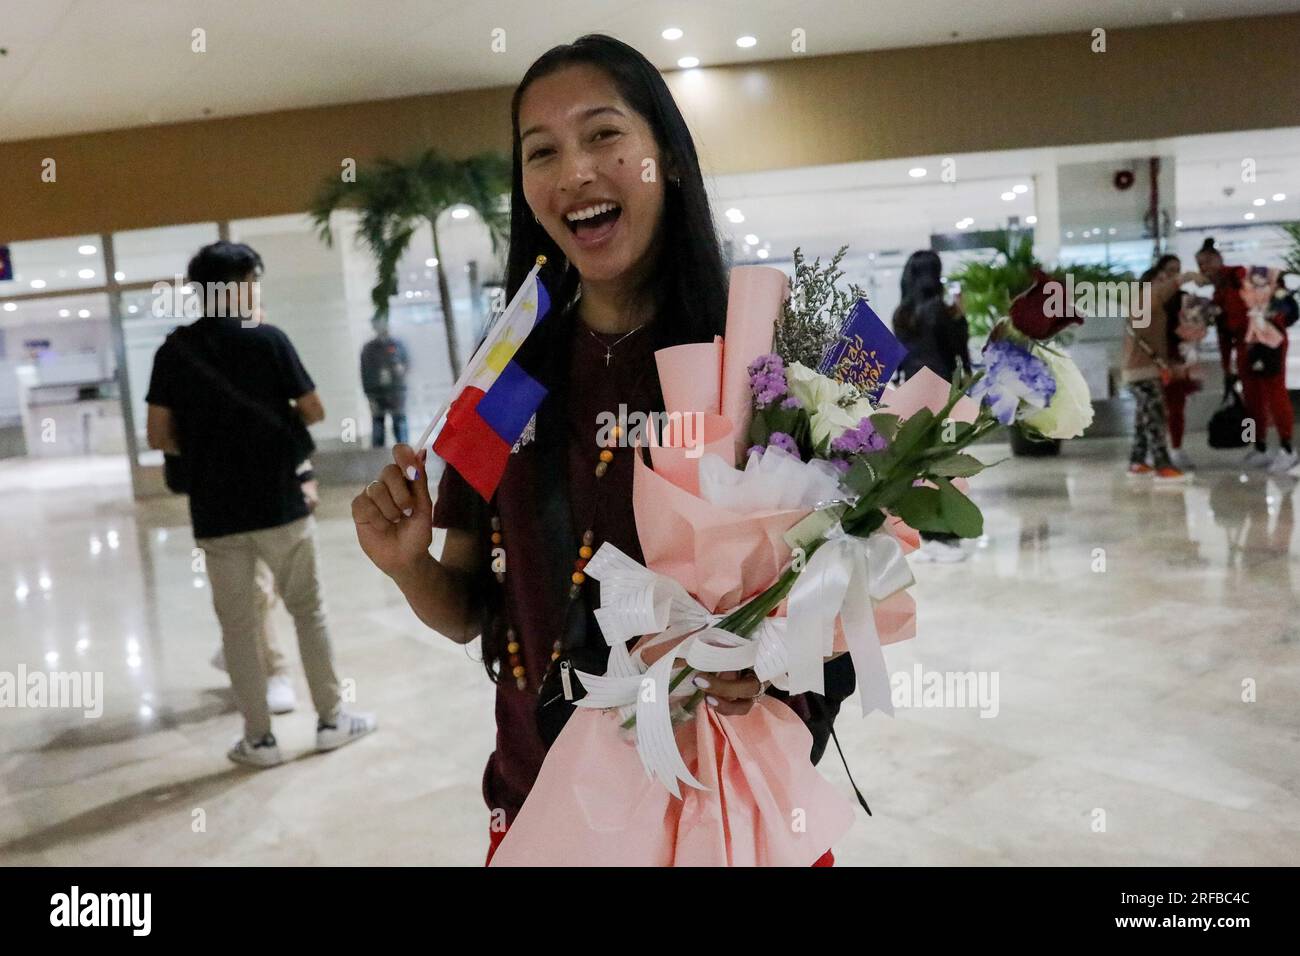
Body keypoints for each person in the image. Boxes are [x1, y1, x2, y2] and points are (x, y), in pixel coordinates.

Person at [351, 35, 838, 866]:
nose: (573, 170)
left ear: (668, 160)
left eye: (604, 134)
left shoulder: (757, 357)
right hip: (542, 791)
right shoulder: (505, 373)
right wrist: (405, 563)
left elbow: (834, 593)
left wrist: (772, 667)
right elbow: (472, 609)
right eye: (541, 151)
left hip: (713, 798)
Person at [146, 240, 375, 768]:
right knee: (307, 613)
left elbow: (159, 433)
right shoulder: (268, 340)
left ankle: (259, 740)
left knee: (239, 627)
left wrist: (206, 447)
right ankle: (331, 720)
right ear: (241, 283)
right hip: (281, 505)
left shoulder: (173, 352)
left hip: (216, 514)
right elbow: (313, 410)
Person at [892, 249, 971, 562]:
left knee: (919, 464)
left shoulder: (902, 313)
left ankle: (921, 530)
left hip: (913, 393)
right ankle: (946, 532)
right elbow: (957, 350)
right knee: (946, 463)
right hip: (943, 395)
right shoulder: (941, 311)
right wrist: (960, 315)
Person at [1197, 237, 1296, 472]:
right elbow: (1224, 333)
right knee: (1252, 400)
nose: (1205, 269)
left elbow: (1273, 303)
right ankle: (1259, 444)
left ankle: (1287, 448)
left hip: (1266, 342)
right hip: (1244, 348)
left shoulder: (1242, 276)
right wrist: (1226, 366)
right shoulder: (1218, 294)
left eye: (1207, 262)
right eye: (1200, 265)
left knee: (1275, 394)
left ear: (1218, 259)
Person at [1122, 258, 1201, 482]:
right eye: (1160, 279)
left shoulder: (1143, 303)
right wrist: (1186, 277)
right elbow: (1164, 290)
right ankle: (1163, 466)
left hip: (1140, 369)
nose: (1164, 283)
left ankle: (1137, 462)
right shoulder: (1148, 298)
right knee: (1155, 418)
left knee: (1144, 418)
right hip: (1143, 370)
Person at [1144, 254, 1200, 471]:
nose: (1173, 274)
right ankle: (1156, 450)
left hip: (1177, 358)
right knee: (1154, 408)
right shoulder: (1150, 298)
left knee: (1176, 407)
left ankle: (1176, 448)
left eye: (1177, 269)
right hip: (1152, 359)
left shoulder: (1184, 299)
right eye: (1169, 269)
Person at [360, 317, 410, 447]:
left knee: (399, 422)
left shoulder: (397, 345)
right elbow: (365, 371)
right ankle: (378, 452)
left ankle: (404, 450)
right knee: (378, 423)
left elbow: (406, 364)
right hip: (377, 392)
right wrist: (369, 392)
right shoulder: (369, 349)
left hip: (396, 390)